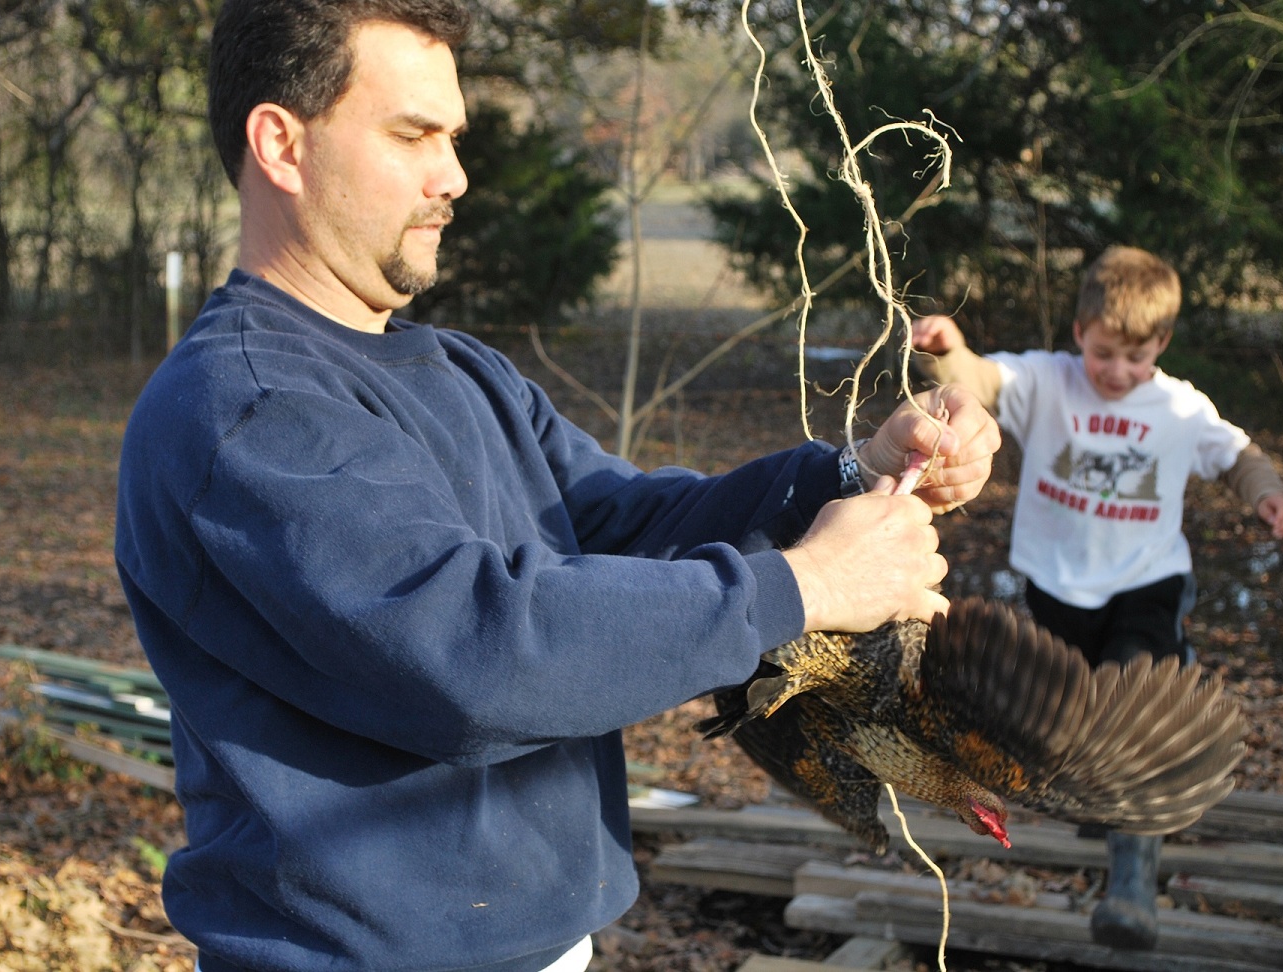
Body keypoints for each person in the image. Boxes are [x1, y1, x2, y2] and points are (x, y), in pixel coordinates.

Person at [113, 2, 1002, 970]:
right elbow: (473, 655)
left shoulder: (460, 372)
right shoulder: (248, 408)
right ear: (281, 145)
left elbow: (629, 527)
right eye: (412, 136)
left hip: (542, 946)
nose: (453, 176)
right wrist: (811, 586)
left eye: (454, 137)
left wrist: (853, 474)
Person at [911, 245, 1283, 952]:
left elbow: (1237, 455)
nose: (1117, 371)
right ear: (1079, 334)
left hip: (1148, 583)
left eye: (1136, 358)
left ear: (1162, 344)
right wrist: (949, 352)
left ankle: (1131, 882)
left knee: (1132, 708)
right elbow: (984, 379)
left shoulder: (1178, 405)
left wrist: (1270, 492)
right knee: (1069, 712)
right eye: (1103, 354)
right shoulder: (1049, 381)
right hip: (1059, 583)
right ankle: (1102, 804)